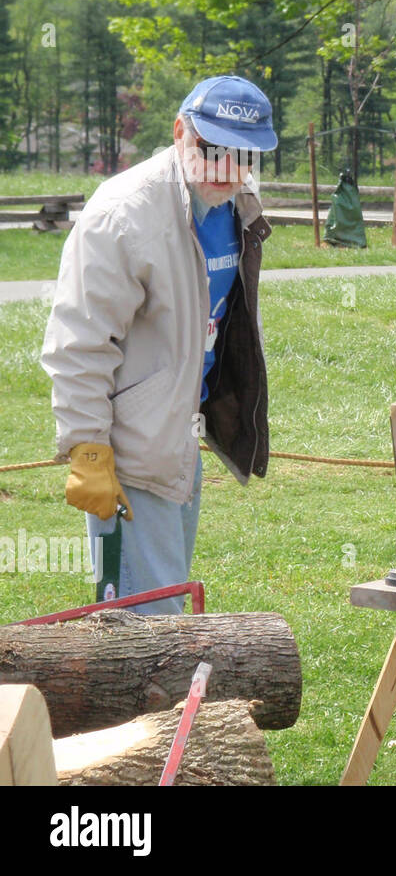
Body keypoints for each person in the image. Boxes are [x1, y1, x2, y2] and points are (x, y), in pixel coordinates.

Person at [41, 75, 276, 615]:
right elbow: (80, 342)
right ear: (179, 133)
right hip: (128, 450)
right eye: (211, 149)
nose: (226, 168)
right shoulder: (124, 214)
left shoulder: (234, 204)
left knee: (161, 605)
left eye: (242, 155)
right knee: (151, 627)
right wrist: (88, 448)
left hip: (179, 437)